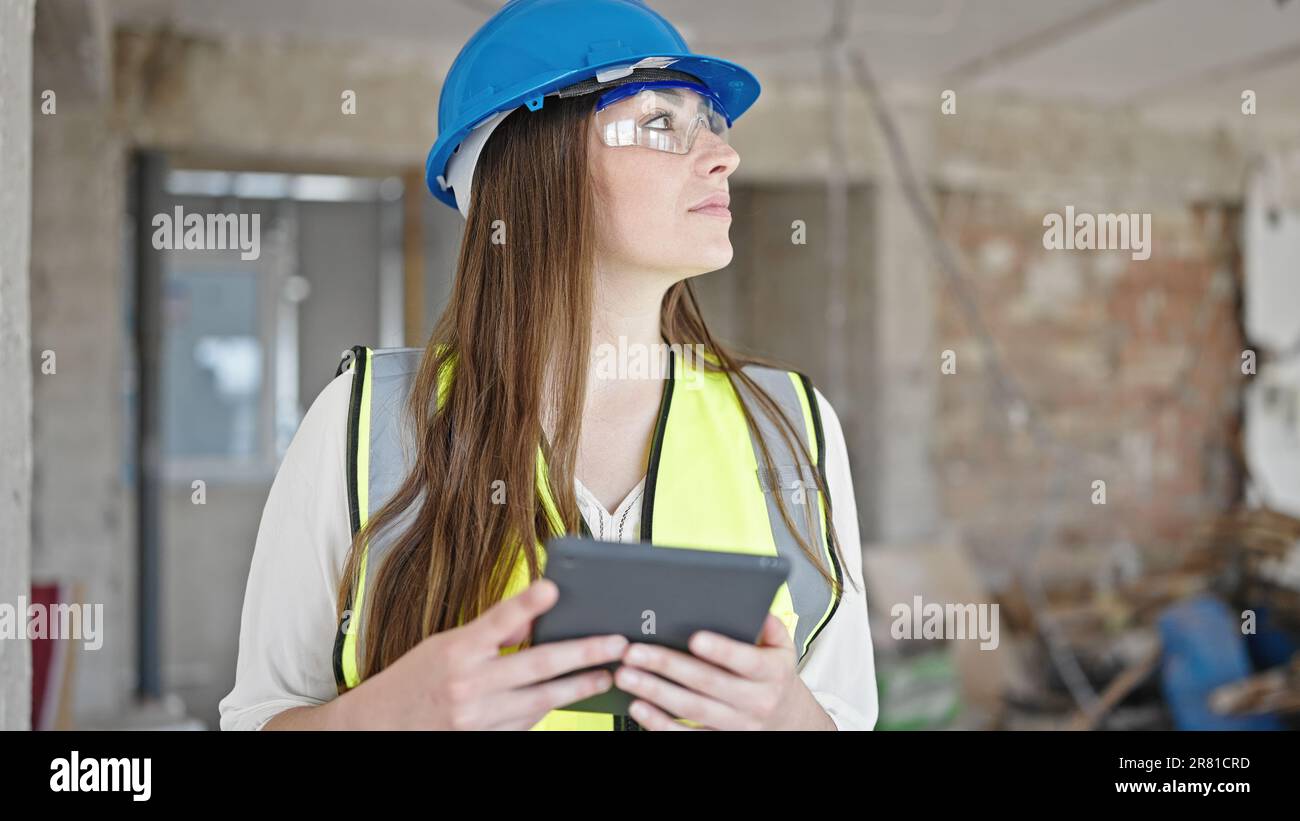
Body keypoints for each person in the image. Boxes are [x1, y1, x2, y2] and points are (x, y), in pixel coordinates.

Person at [219, 0, 877, 731]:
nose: (724, 155)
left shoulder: (791, 425)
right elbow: (258, 717)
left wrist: (789, 717)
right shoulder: (365, 422)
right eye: (660, 122)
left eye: (710, 123)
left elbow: (845, 713)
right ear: (536, 165)